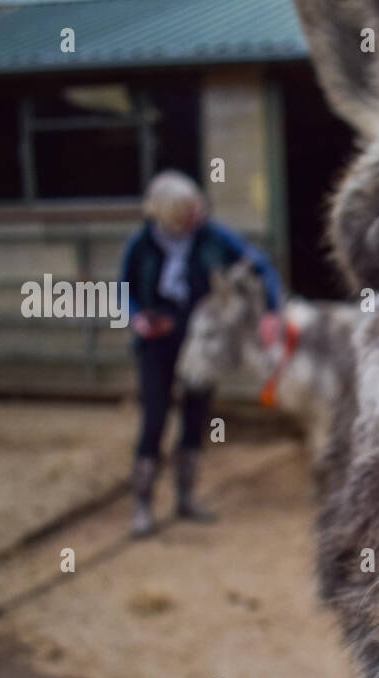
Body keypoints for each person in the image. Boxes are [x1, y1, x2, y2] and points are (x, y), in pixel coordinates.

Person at [120, 170, 283, 537]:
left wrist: (272, 310)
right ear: (167, 215)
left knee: (196, 418)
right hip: (158, 340)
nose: (197, 216)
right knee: (155, 418)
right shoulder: (142, 244)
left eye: (197, 208)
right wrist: (137, 320)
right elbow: (123, 287)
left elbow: (262, 266)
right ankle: (142, 506)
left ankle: (186, 497)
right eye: (188, 212)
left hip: (201, 337)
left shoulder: (212, 236)